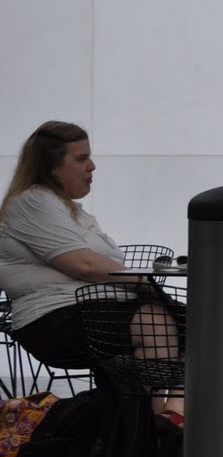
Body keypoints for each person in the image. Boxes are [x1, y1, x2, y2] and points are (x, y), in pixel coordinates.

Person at [0, 121, 184, 425]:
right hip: (54, 317)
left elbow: (94, 264)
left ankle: (170, 415)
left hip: (93, 310)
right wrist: (142, 280)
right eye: (81, 158)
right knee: (156, 320)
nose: (92, 166)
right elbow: (82, 264)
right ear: (52, 167)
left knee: (201, 327)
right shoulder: (34, 201)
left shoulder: (72, 210)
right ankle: (151, 427)